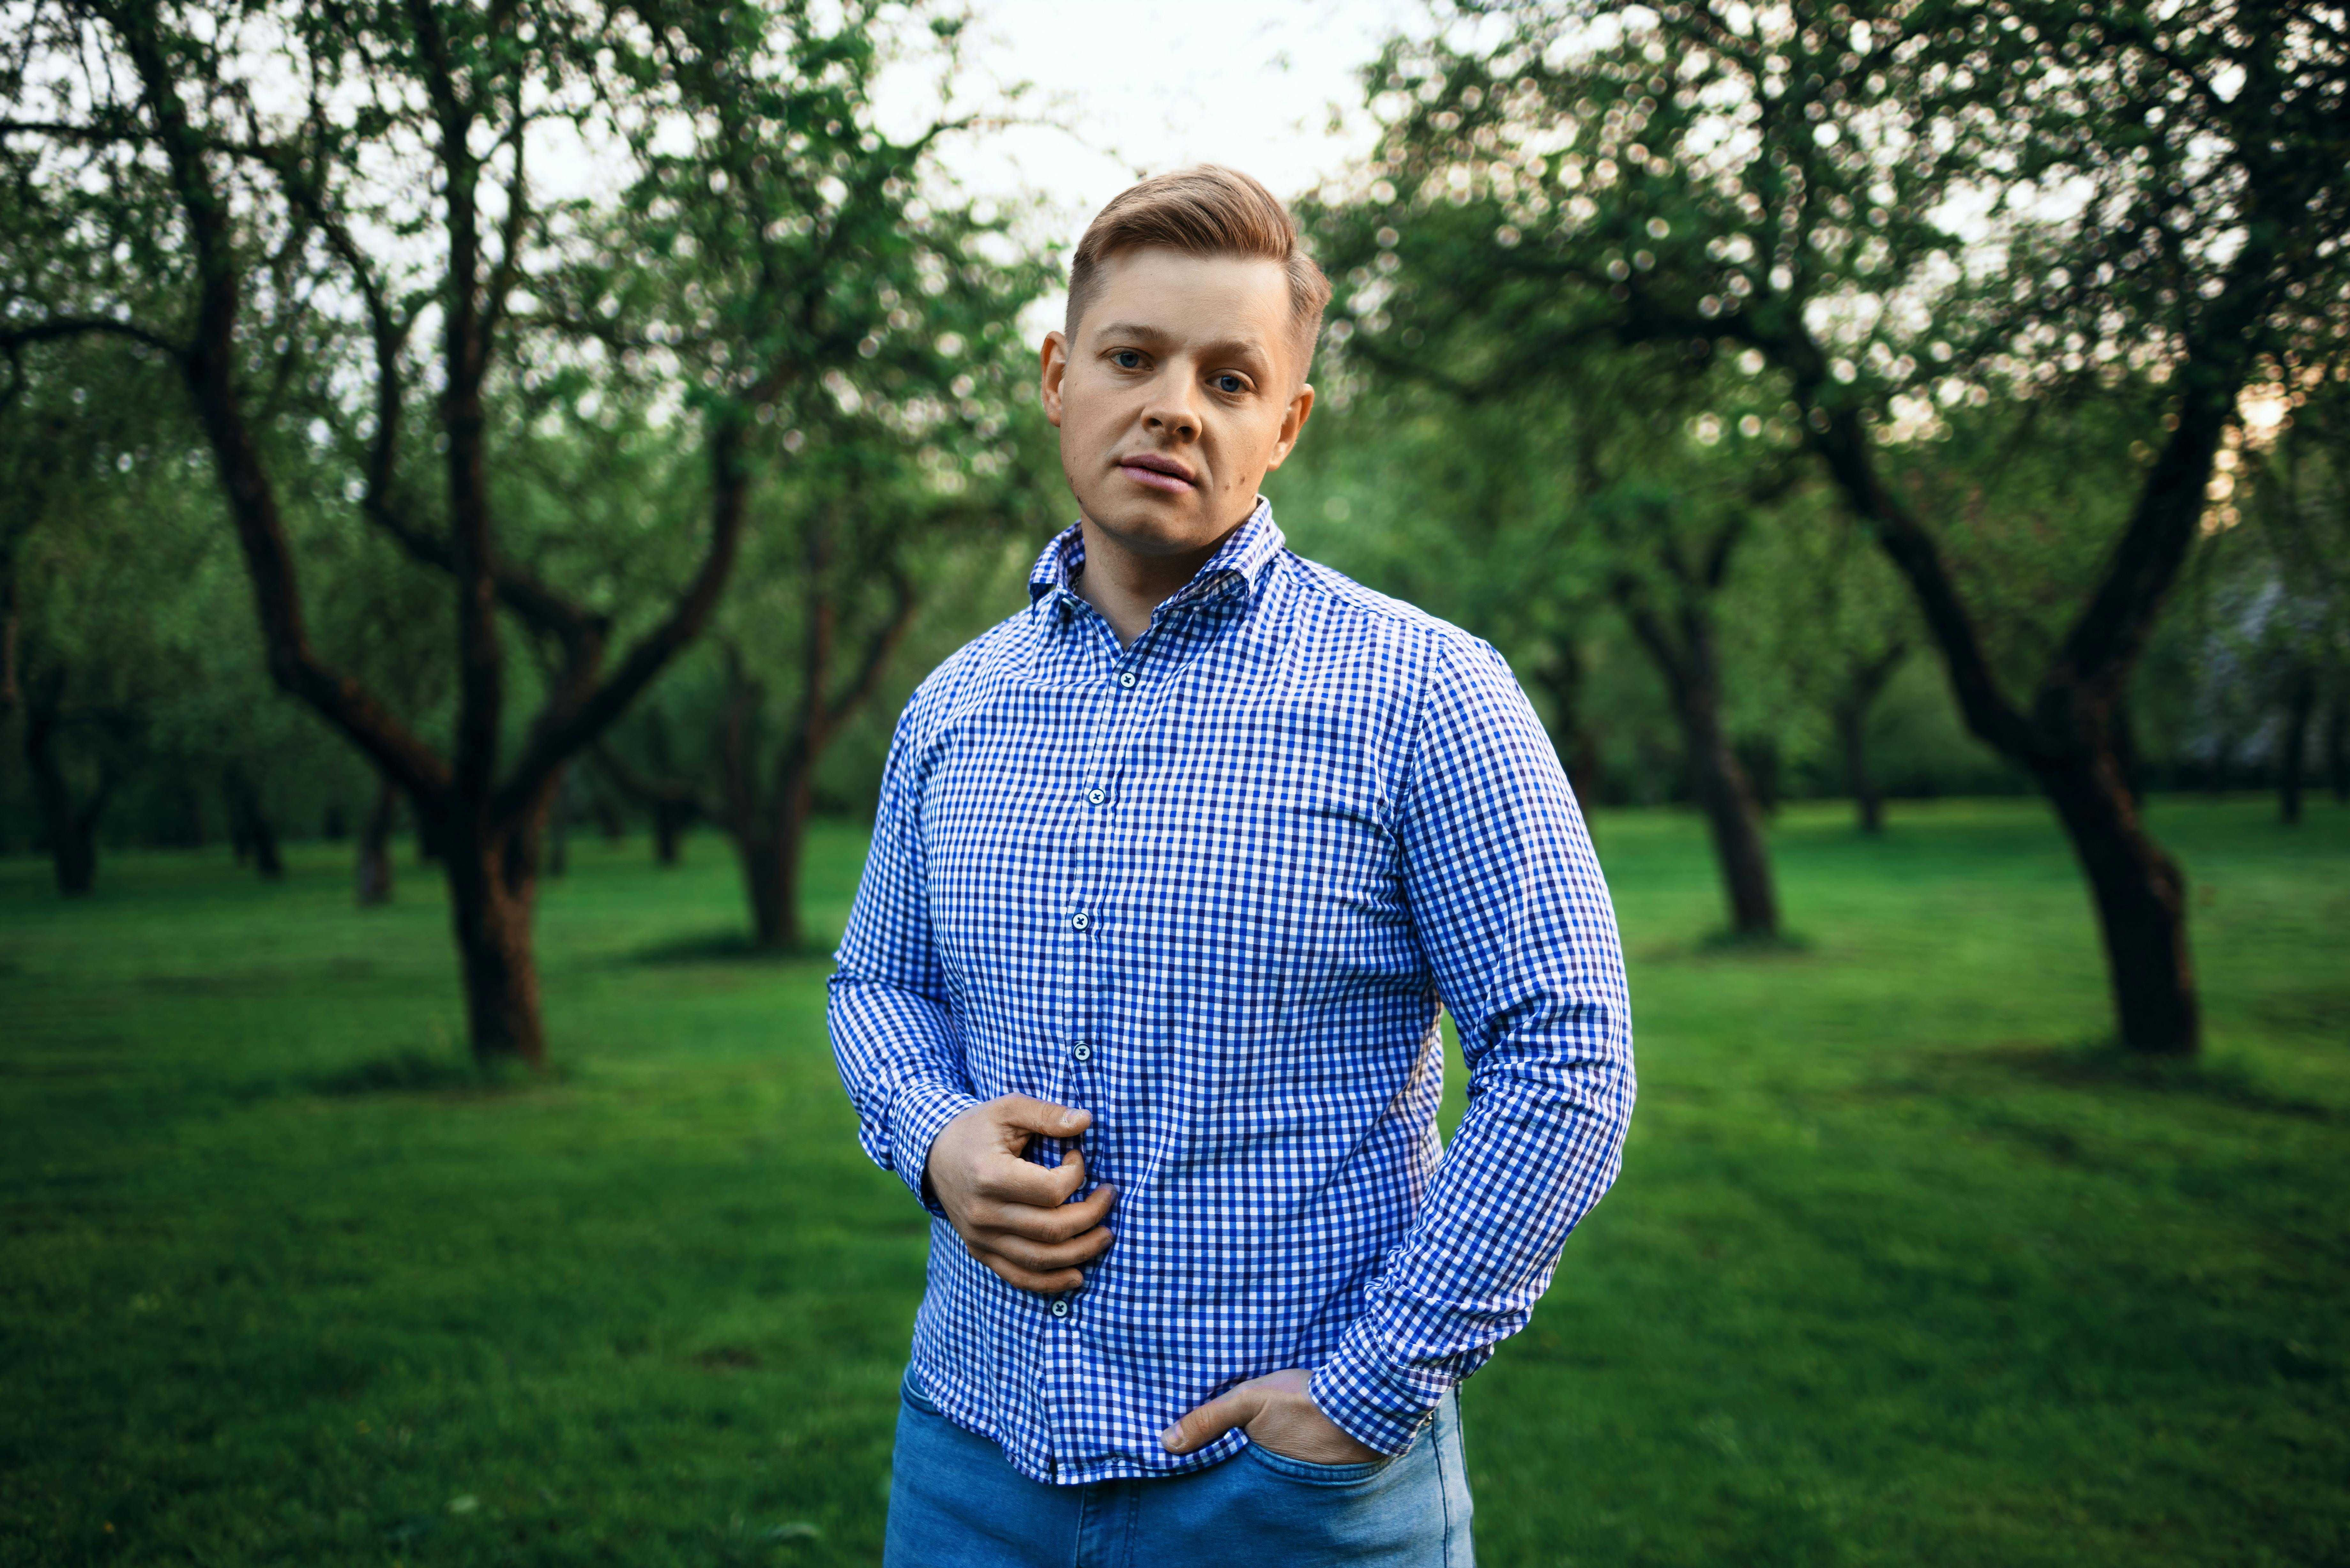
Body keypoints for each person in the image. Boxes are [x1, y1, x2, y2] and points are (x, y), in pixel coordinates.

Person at [829, 164, 1634, 1567]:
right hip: (971, 1461)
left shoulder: (1426, 694)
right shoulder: (953, 705)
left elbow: (1565, 1054)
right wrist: (930, 1134)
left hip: (1288, 1497)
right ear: (1057, 374)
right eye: (1133, 357)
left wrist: (1367, 1389)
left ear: (1286, 424)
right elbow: (878, 982)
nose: (1173, 405)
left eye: (1228, 377)